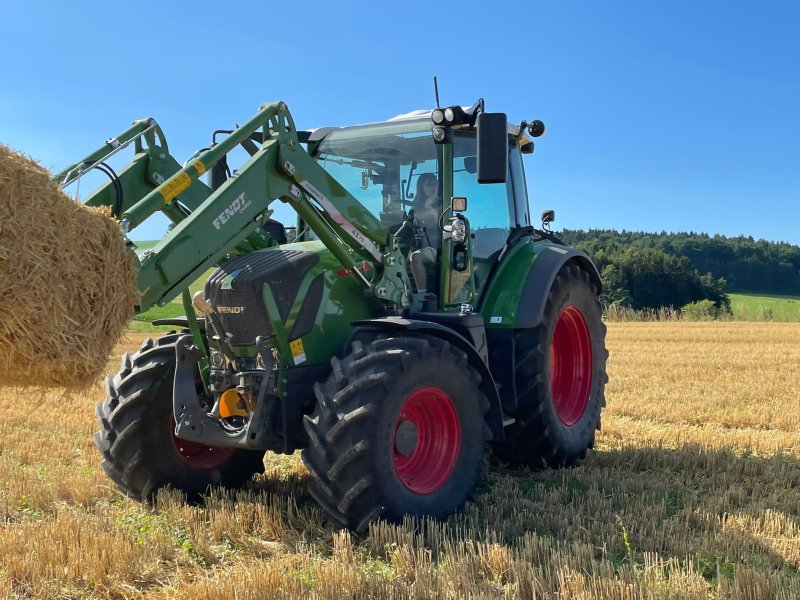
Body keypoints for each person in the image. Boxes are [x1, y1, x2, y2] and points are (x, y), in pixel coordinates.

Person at [408, 173, 441, 294]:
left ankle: (422, 296)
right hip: (421, 247)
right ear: (421, 187)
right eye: (428, 185)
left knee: (416, 257)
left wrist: (429, 207)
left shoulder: (443, 205)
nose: (433, 187)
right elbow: (408, 228)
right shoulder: (415, 208)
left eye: (435, 184)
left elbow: (439, 222)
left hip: (440, 249)